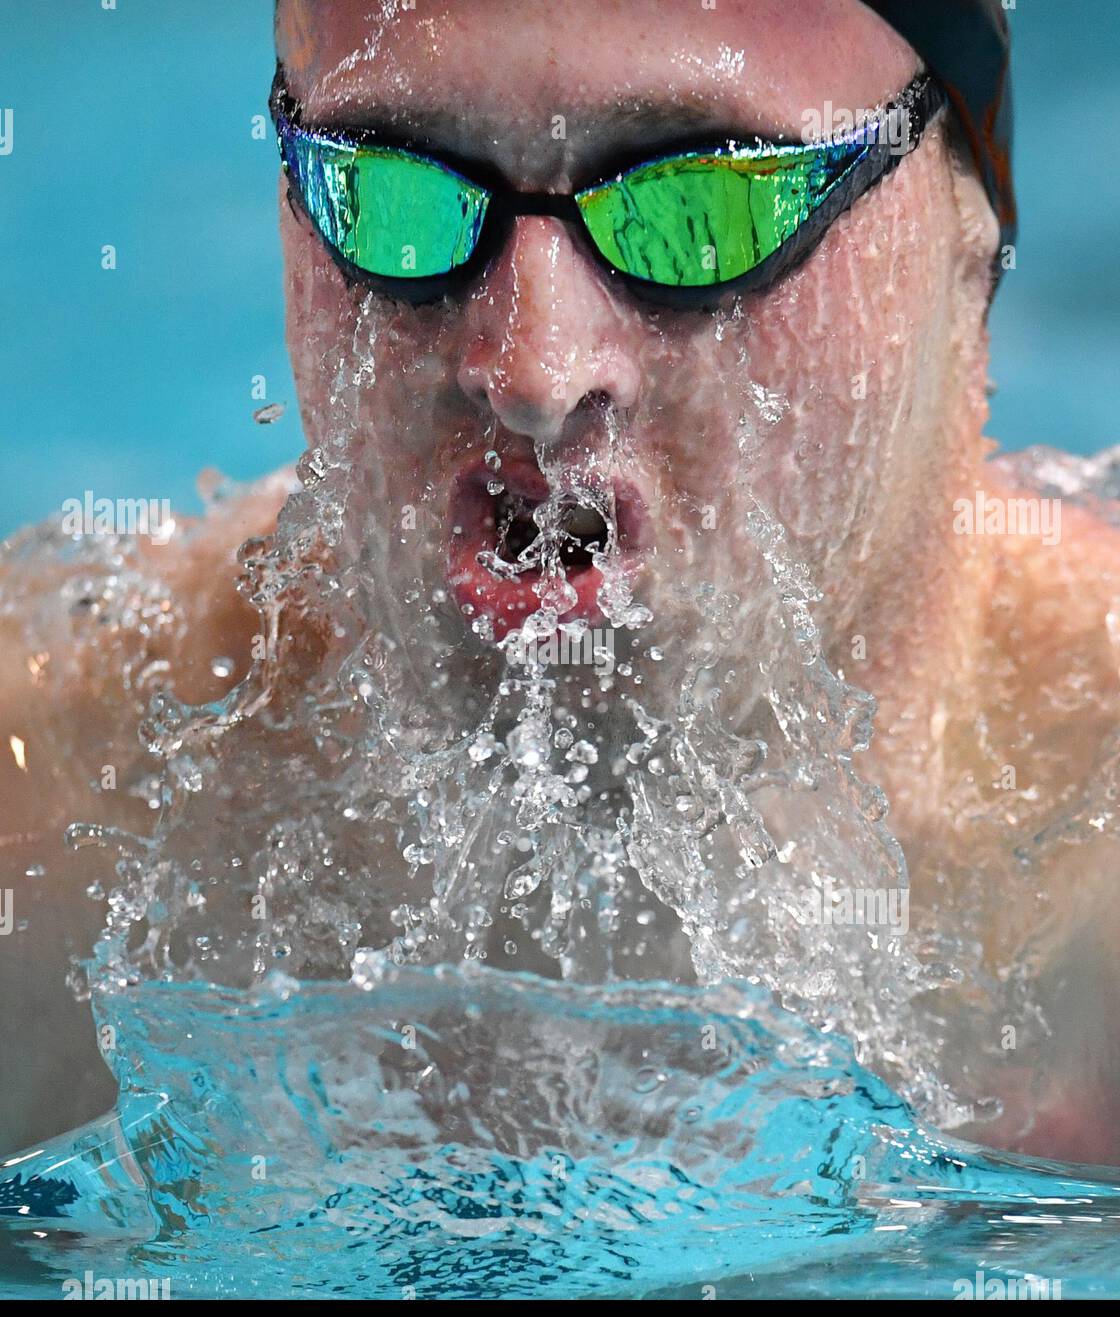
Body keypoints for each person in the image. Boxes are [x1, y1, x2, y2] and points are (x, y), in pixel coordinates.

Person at [2, 0, 1118, 1163]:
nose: (532, 373)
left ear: (968, 224)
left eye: (702, 209)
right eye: (397, 196)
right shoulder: (50, 835)